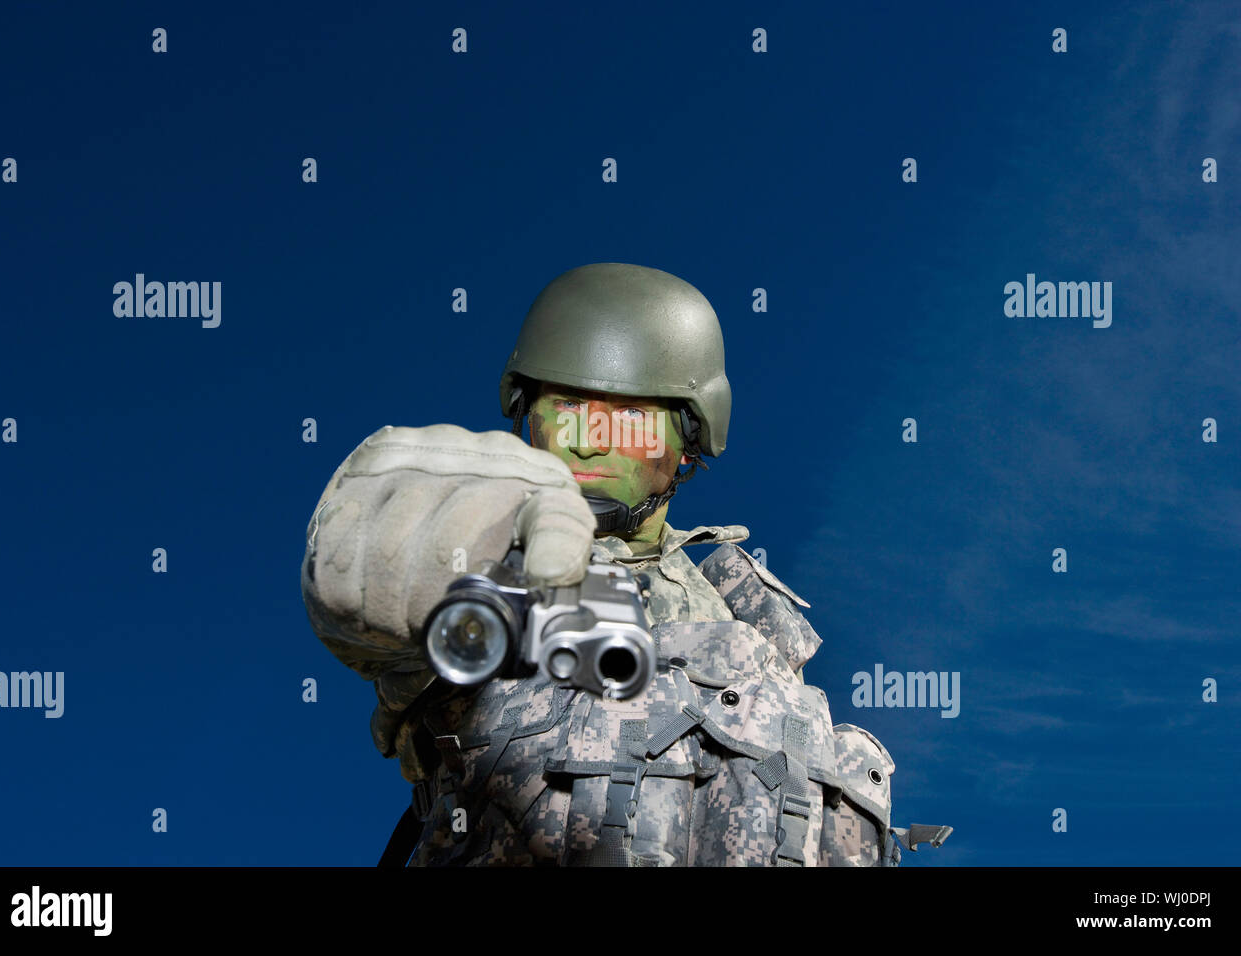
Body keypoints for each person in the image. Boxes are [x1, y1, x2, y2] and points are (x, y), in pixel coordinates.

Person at [300, 262, 951, 865]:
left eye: (632, 420)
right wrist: (385, 553)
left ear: (690, 444)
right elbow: (388, 609)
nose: (590, 444)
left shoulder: (745, 604)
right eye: (568, 413)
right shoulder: (499, 552)